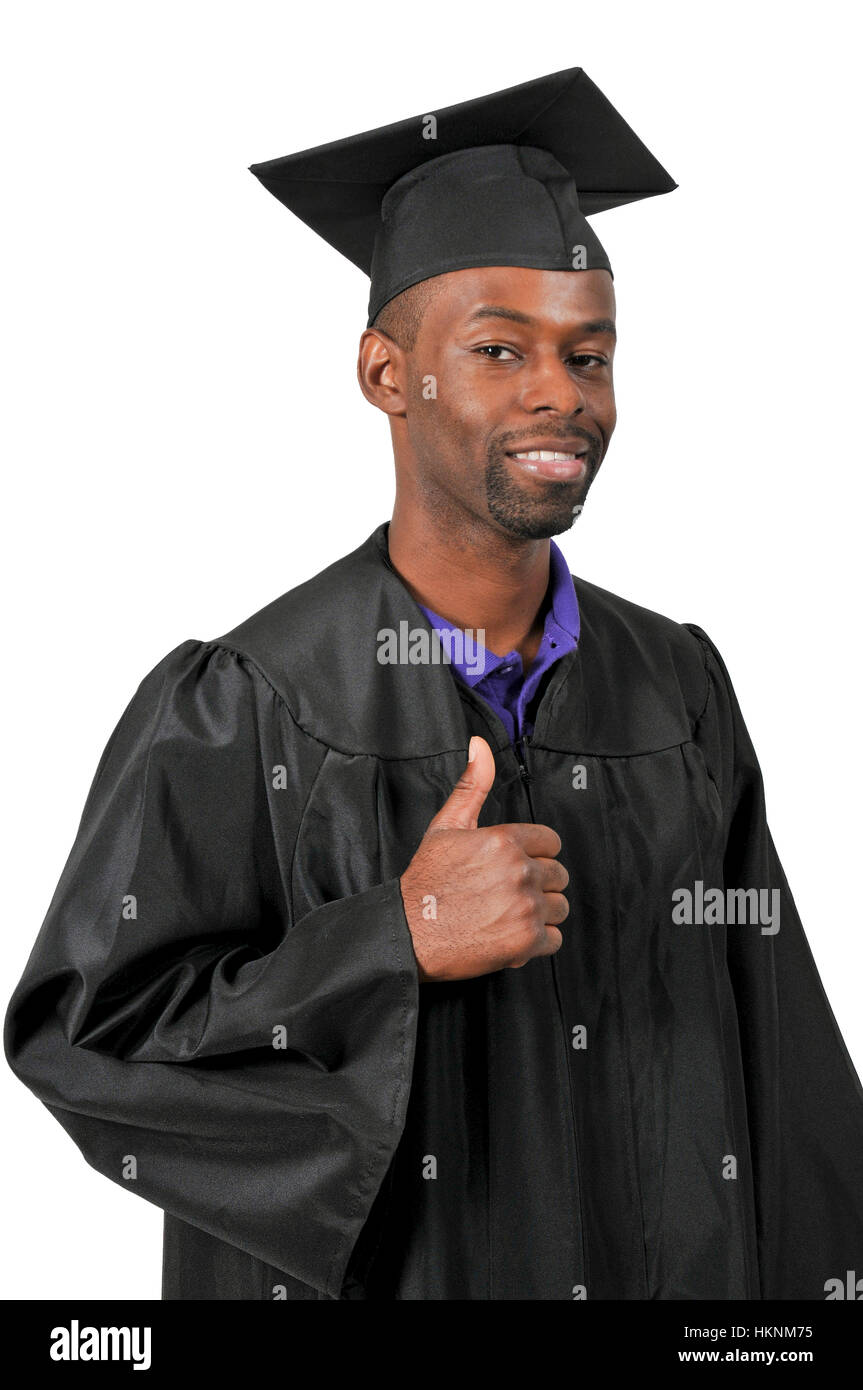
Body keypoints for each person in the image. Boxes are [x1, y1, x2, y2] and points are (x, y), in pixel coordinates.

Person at [6, 67, 863, 1301]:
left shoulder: (673, 684)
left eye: (588, 353)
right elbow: (86, 1043)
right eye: (498, 348)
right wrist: (387, 939)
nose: (556, 392)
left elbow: (779, 1054)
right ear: (383, 373)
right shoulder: (246, 701)